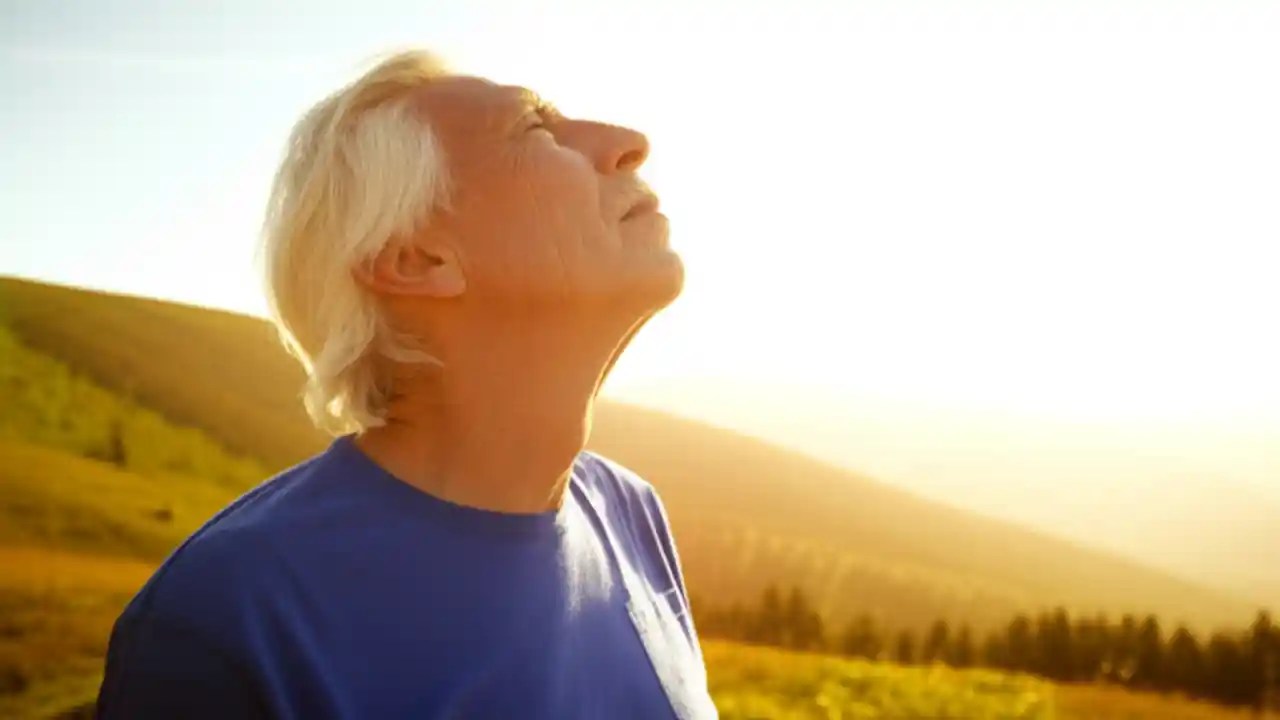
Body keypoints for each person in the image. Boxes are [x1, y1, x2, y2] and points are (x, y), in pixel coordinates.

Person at [96, 50, 716, 719]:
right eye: (534, 131)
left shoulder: (631, 513)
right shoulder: (229, 620)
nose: (629, 145)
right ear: (416, 259)